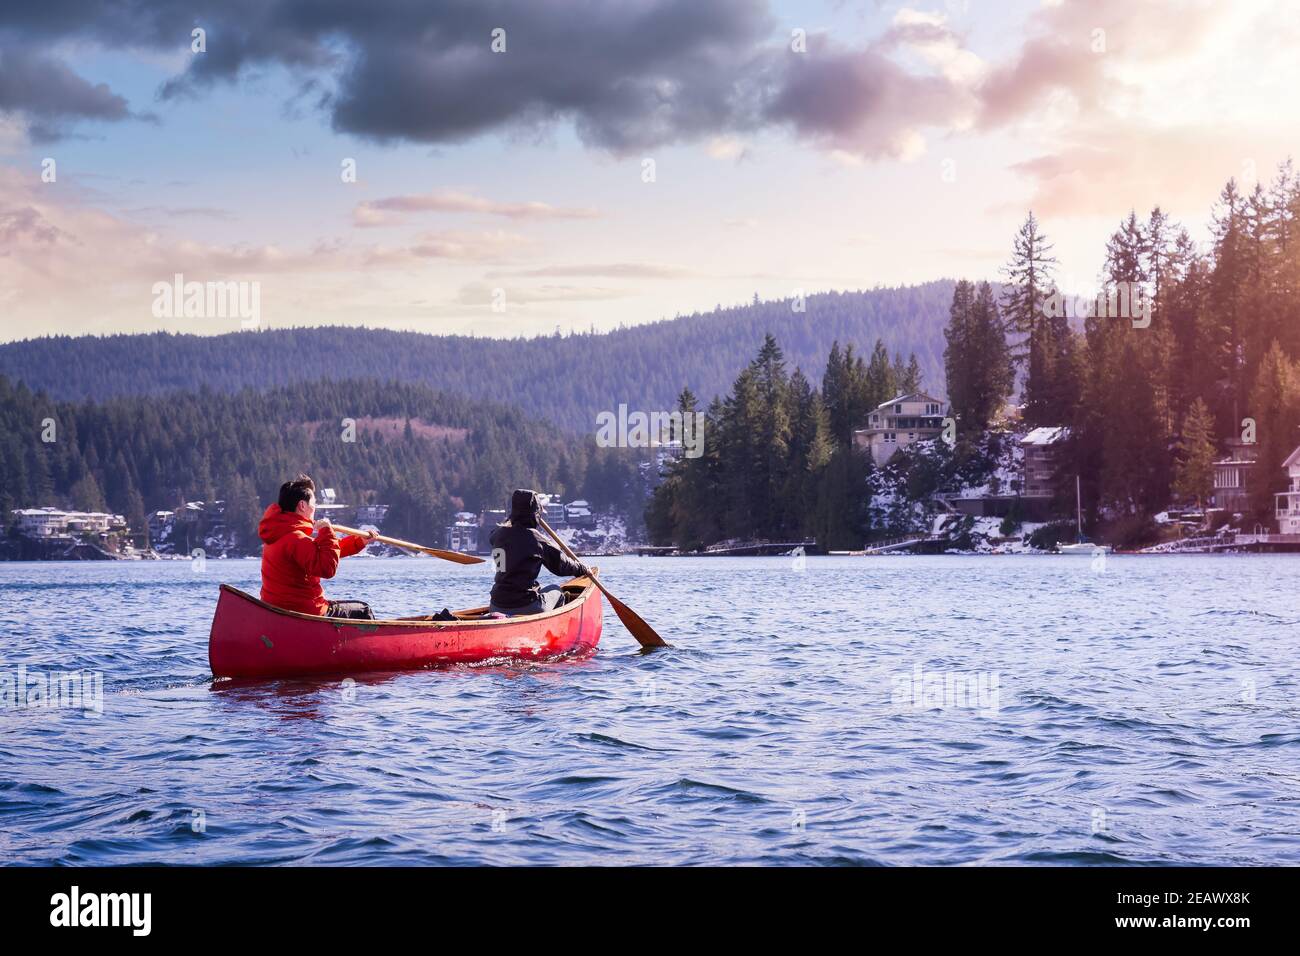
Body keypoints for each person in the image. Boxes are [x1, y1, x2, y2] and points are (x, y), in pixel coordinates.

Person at [258, 474, 378, 619]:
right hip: (305, 611)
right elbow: (327, 568)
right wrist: (326, 531)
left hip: (277, 609)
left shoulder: (278, 535)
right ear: (302, 505)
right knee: (363, 610)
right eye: (314, 503)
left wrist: (359, 541)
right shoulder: (297, 539)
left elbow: (322, 552)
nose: (315, 509)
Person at [489, 489, 589, 616]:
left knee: (540, 589)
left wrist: (512, 522)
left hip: (496, 604)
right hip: (527, 605)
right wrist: (582, 568)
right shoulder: (536, 540)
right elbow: (561, 566)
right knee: (556, 590)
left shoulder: (498, 535)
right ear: (535, 513)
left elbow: (494, 536)